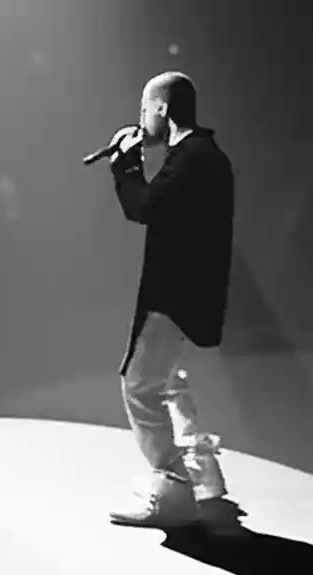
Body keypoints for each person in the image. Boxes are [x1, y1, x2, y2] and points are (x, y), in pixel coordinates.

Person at [105, 71, 235, 527]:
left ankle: (173, 490)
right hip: (190, 294)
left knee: (140, 386)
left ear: (160, 109)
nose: (142, 118)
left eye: (145, 109)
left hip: (173, 296)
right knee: (169, 380)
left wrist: (125, 165)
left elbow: (143, 206)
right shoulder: (202, 155)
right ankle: (204, 474)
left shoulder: (192, 160)